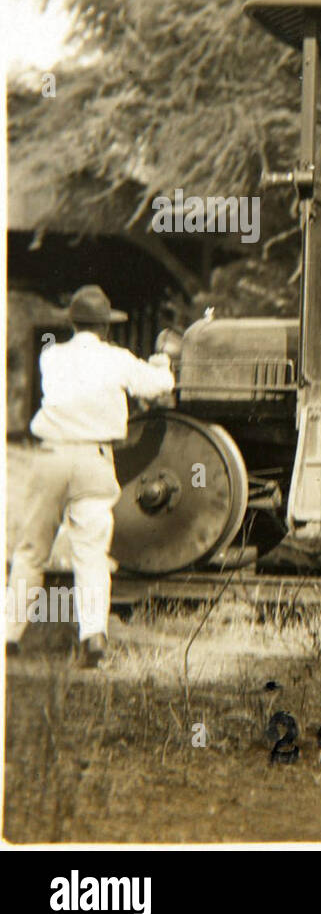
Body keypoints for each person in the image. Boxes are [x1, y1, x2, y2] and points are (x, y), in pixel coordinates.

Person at [5, 285, 175, 667]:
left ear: (74, 323)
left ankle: (8, 637)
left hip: (50, 456)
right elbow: (159, 386)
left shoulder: (52, 357)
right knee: (92, 554)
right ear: (105, 327)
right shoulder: (117, 358)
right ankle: (93, 638)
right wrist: (163, 364)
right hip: (95, 458)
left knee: (31, 552)